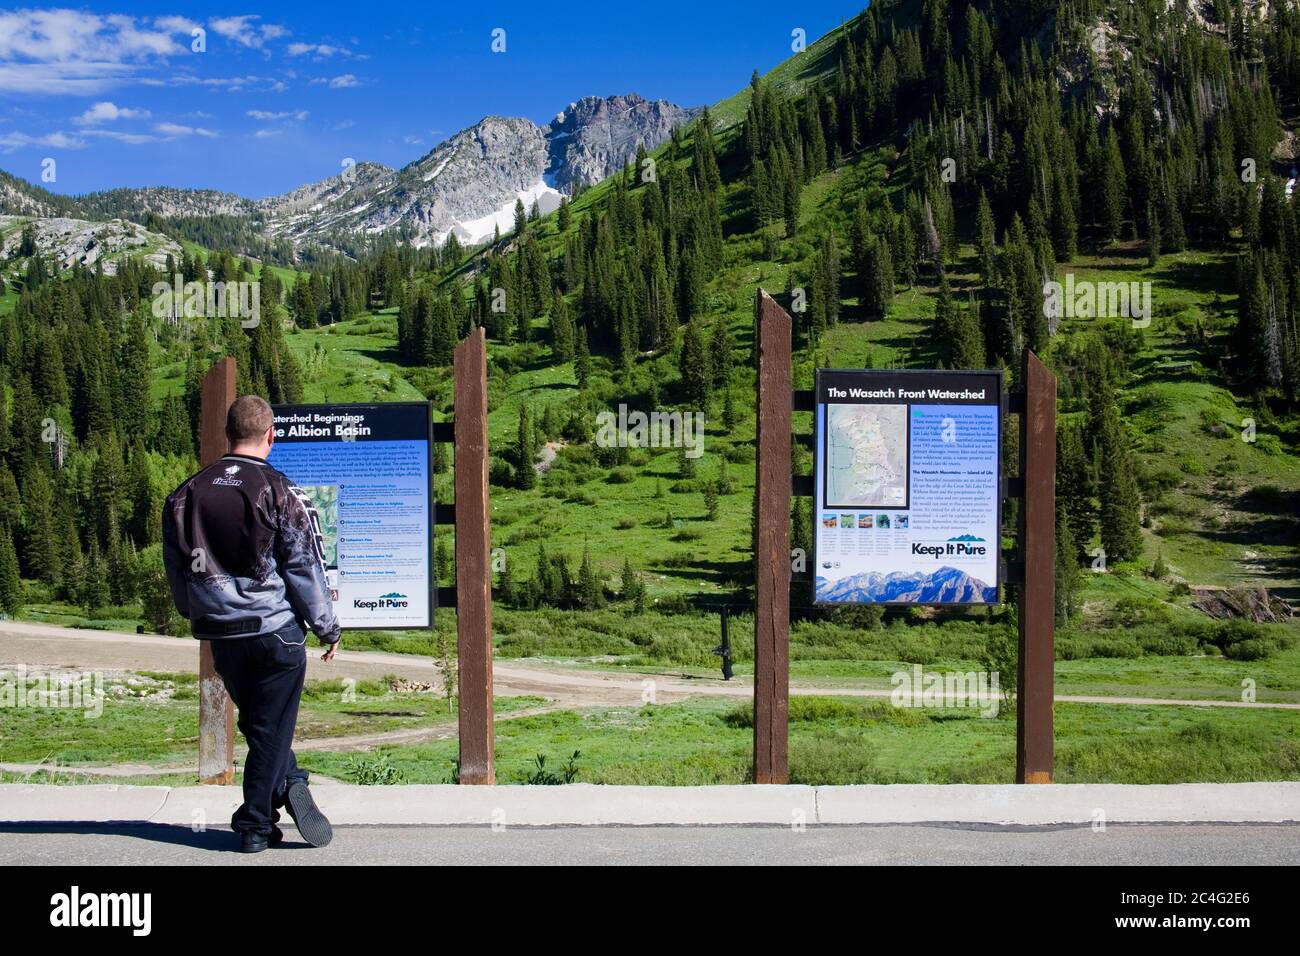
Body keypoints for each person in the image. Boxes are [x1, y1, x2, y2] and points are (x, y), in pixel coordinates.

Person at [163, 394, 342, 853]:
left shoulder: (185, 495)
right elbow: (303, 567)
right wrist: (327, 627)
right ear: (271, 436)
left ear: (227, 434)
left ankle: (291, 780)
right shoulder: (280, 491)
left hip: (221, 632)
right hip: (275, 630)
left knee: (263, 728)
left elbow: (178, 569)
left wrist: (193, 611)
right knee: (270, 729)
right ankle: (254, 824)